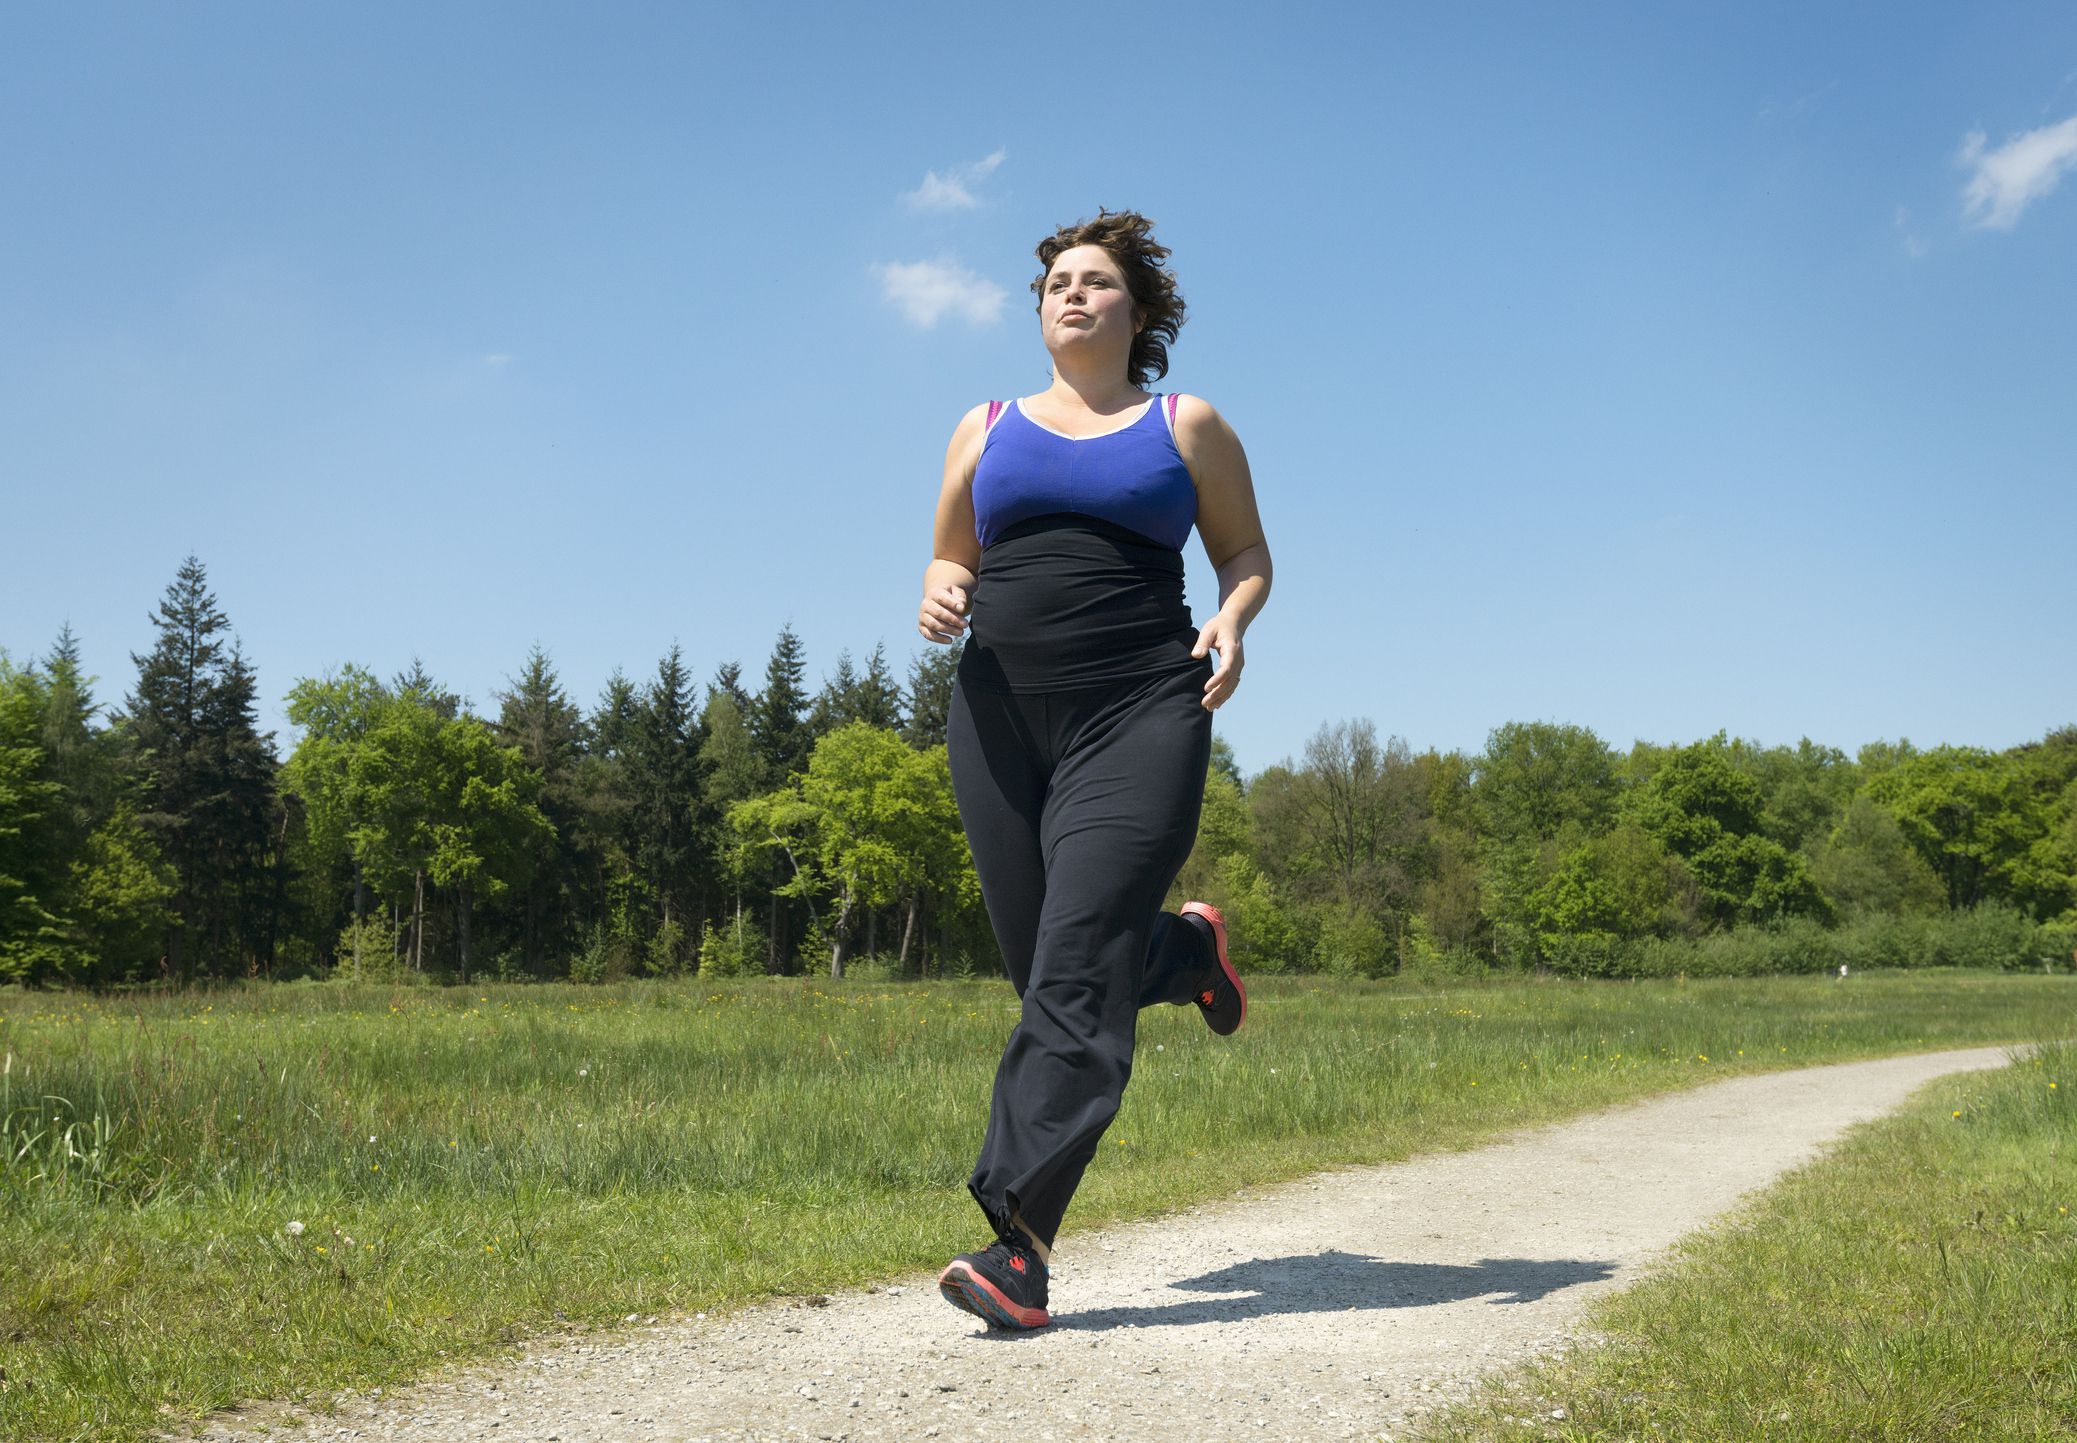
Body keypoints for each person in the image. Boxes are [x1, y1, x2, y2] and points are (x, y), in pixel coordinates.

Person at [914, 209, 1272, 1330]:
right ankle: (1182, 950)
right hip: (1000, 716)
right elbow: (947, 551)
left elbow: (1244, 553)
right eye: (1056, 283)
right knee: (1045, 966)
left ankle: (1017, 1244)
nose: (1071, 295)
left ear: (1137, 310)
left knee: (1070, 976)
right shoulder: (982, 425)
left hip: (1140, 711)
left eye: (1096, 282)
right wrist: (937, 586)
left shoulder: (1184, 423)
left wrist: (1234, 618)